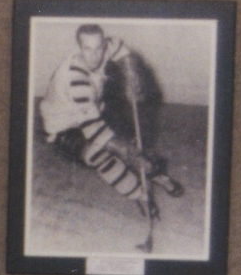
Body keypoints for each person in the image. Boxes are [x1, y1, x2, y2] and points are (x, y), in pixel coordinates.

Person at [37, 24, 180, 228]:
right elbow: (92, 127)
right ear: (79, 48)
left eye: (98, 48)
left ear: (103, 45)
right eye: (87, 49)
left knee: (130, 137)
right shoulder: (76, 78)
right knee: (98, 154)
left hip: (93, 110)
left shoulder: (106, 47)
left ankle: (156, 175)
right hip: (63, 125)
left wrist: (132, 74)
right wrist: (128, 152)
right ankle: (140, 196)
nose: (94, 56)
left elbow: (121, 48)